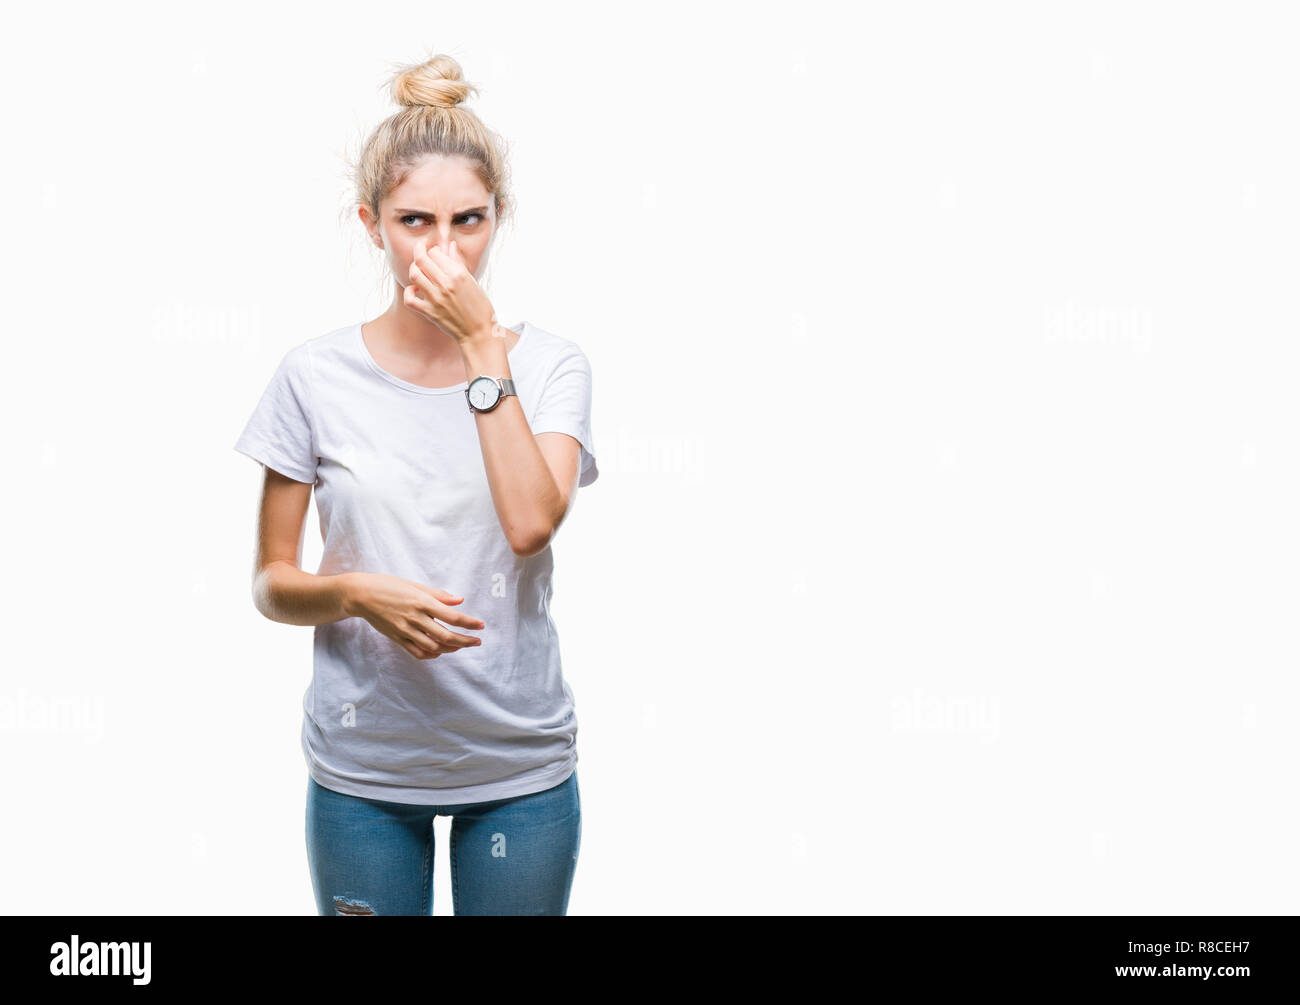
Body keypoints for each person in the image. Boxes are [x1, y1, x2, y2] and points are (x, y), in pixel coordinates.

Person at [232, 52, 598, 916]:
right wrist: (353, 592)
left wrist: (481, 350)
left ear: (498, 216)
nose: (442, 249)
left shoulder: (549, 367)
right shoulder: (313, 375)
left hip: (518, 769)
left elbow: (529, 524)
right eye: (414, 222)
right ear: (372, 223)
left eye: (468, 220)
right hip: (365, 772)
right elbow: (272, 583)